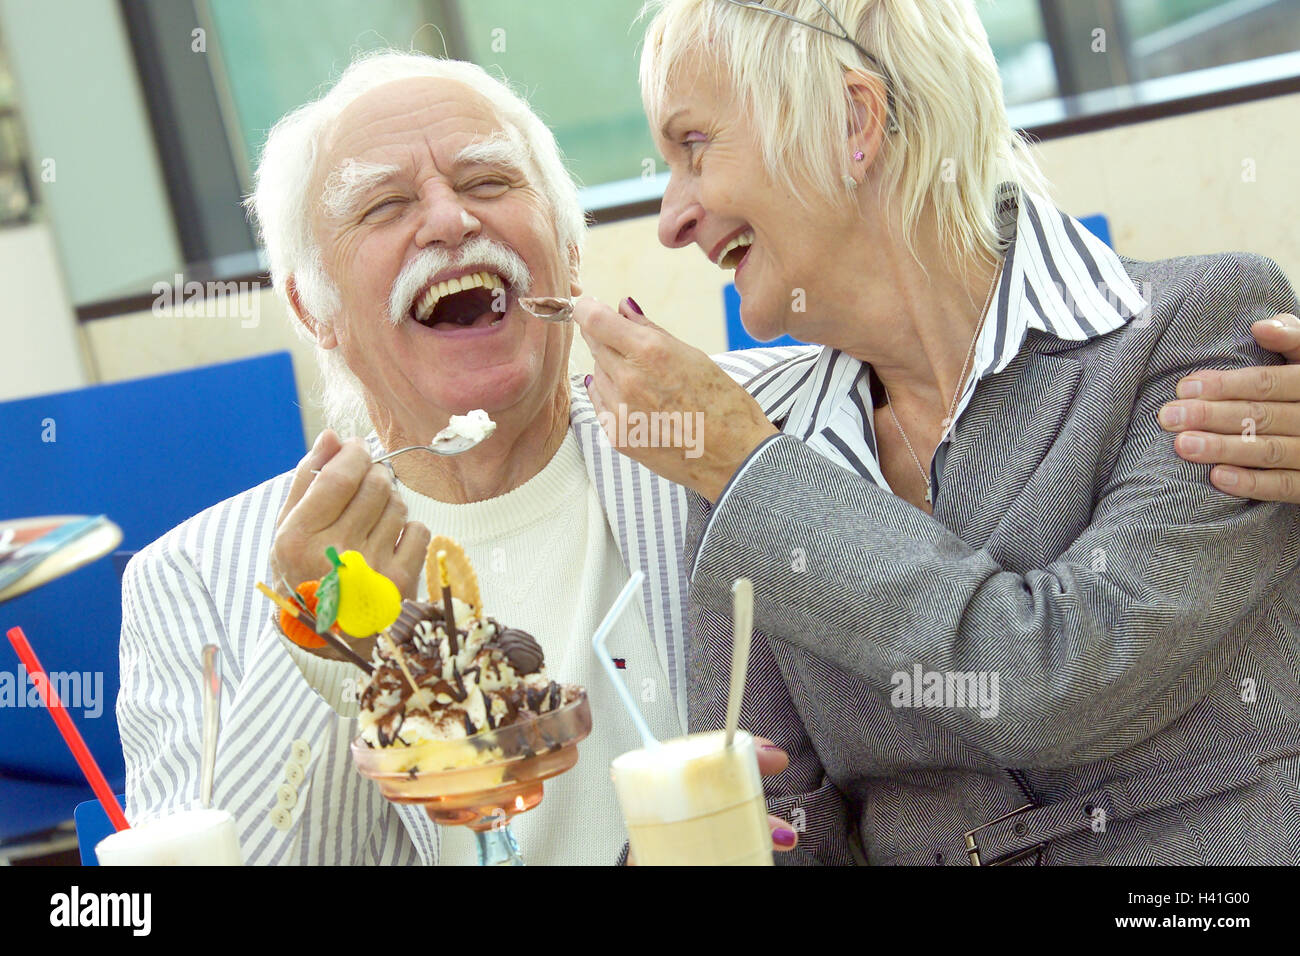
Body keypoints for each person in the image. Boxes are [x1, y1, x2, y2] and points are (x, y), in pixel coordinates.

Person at [576, 0, 1300, 864]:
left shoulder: (1200, 333)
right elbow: (784, 826)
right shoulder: (756, 454)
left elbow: (1058, 682)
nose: (671, 218)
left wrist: (746, 470)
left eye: (695, 148)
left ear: (853, 122)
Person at [117, 51, 800, 865]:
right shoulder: (189, 582)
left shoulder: (750, 423)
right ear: (314, 307)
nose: (449, 222)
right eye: (384, 204)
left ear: (567, 249)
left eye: (487, 184)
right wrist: (326, 643)